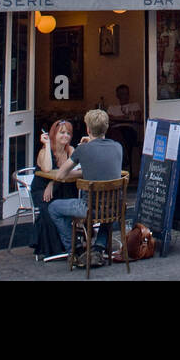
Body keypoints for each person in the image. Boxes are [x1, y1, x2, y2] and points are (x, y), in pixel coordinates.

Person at [47, 109, 124, 256]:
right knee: (108, 204)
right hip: (115, 207)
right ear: (106, 127)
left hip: (89, 208)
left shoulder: (82, 150)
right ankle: (99, 247)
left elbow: (61, 174)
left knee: (53, 208)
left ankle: (75, 249)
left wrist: (83, 157)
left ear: (87, 129)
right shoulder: (117, 147)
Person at [31, 119, 79, 258]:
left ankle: (66, 243)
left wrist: (53, 183)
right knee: (48, 208)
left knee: (67, 201)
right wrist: (46, 144)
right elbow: (47, 169)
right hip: (41, 189)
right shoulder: (44, 152)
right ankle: (56, 248)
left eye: (68, 133)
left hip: (59, 187)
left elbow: (72, 170)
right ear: (53, 134)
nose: (65, 136)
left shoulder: (71, 150)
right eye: (62, 133)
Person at [106, 84, 143, 175]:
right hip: (114, 132)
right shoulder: (112, 108)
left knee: (121, 132)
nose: (124, 96)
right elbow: (108, 119)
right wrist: (127, 117)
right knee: (113, 133)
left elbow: (137, 117)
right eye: (122, 94)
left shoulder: (135, 105)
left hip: (129, 131)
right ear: (117, 96)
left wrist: (116, 118)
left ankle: (123, 160)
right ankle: (124, 159)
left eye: (126, 94)